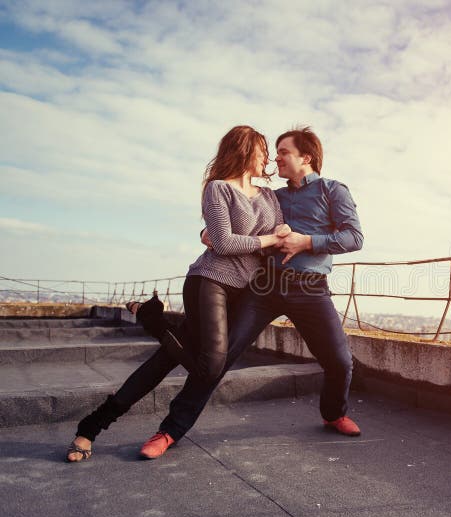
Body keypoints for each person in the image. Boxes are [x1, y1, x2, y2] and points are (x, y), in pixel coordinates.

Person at [137, 125, 364, 460]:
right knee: (220, 358)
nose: (276, 158)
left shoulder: (334, 191)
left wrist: (308, 242)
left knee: (340, 361)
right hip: (265, 286)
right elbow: (232, 220)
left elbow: (354, 237)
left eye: (283, 152)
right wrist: (206, 231)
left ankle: (333, 414)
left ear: (307, 156)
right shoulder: (274, 195)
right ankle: (169, 431)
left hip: (311, 288)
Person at [66, 125, 289, 462]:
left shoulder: (270, 196)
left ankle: (91, 427)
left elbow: (277, 238)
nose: (268, 157)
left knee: (166, 358)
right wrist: (269, 240)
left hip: (245, 291)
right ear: (245, 150)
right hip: (209, 281)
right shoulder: (218, 189)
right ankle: (153, 319)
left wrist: (278, 237)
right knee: (212, 365)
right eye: (262, 149)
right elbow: (225, 243)